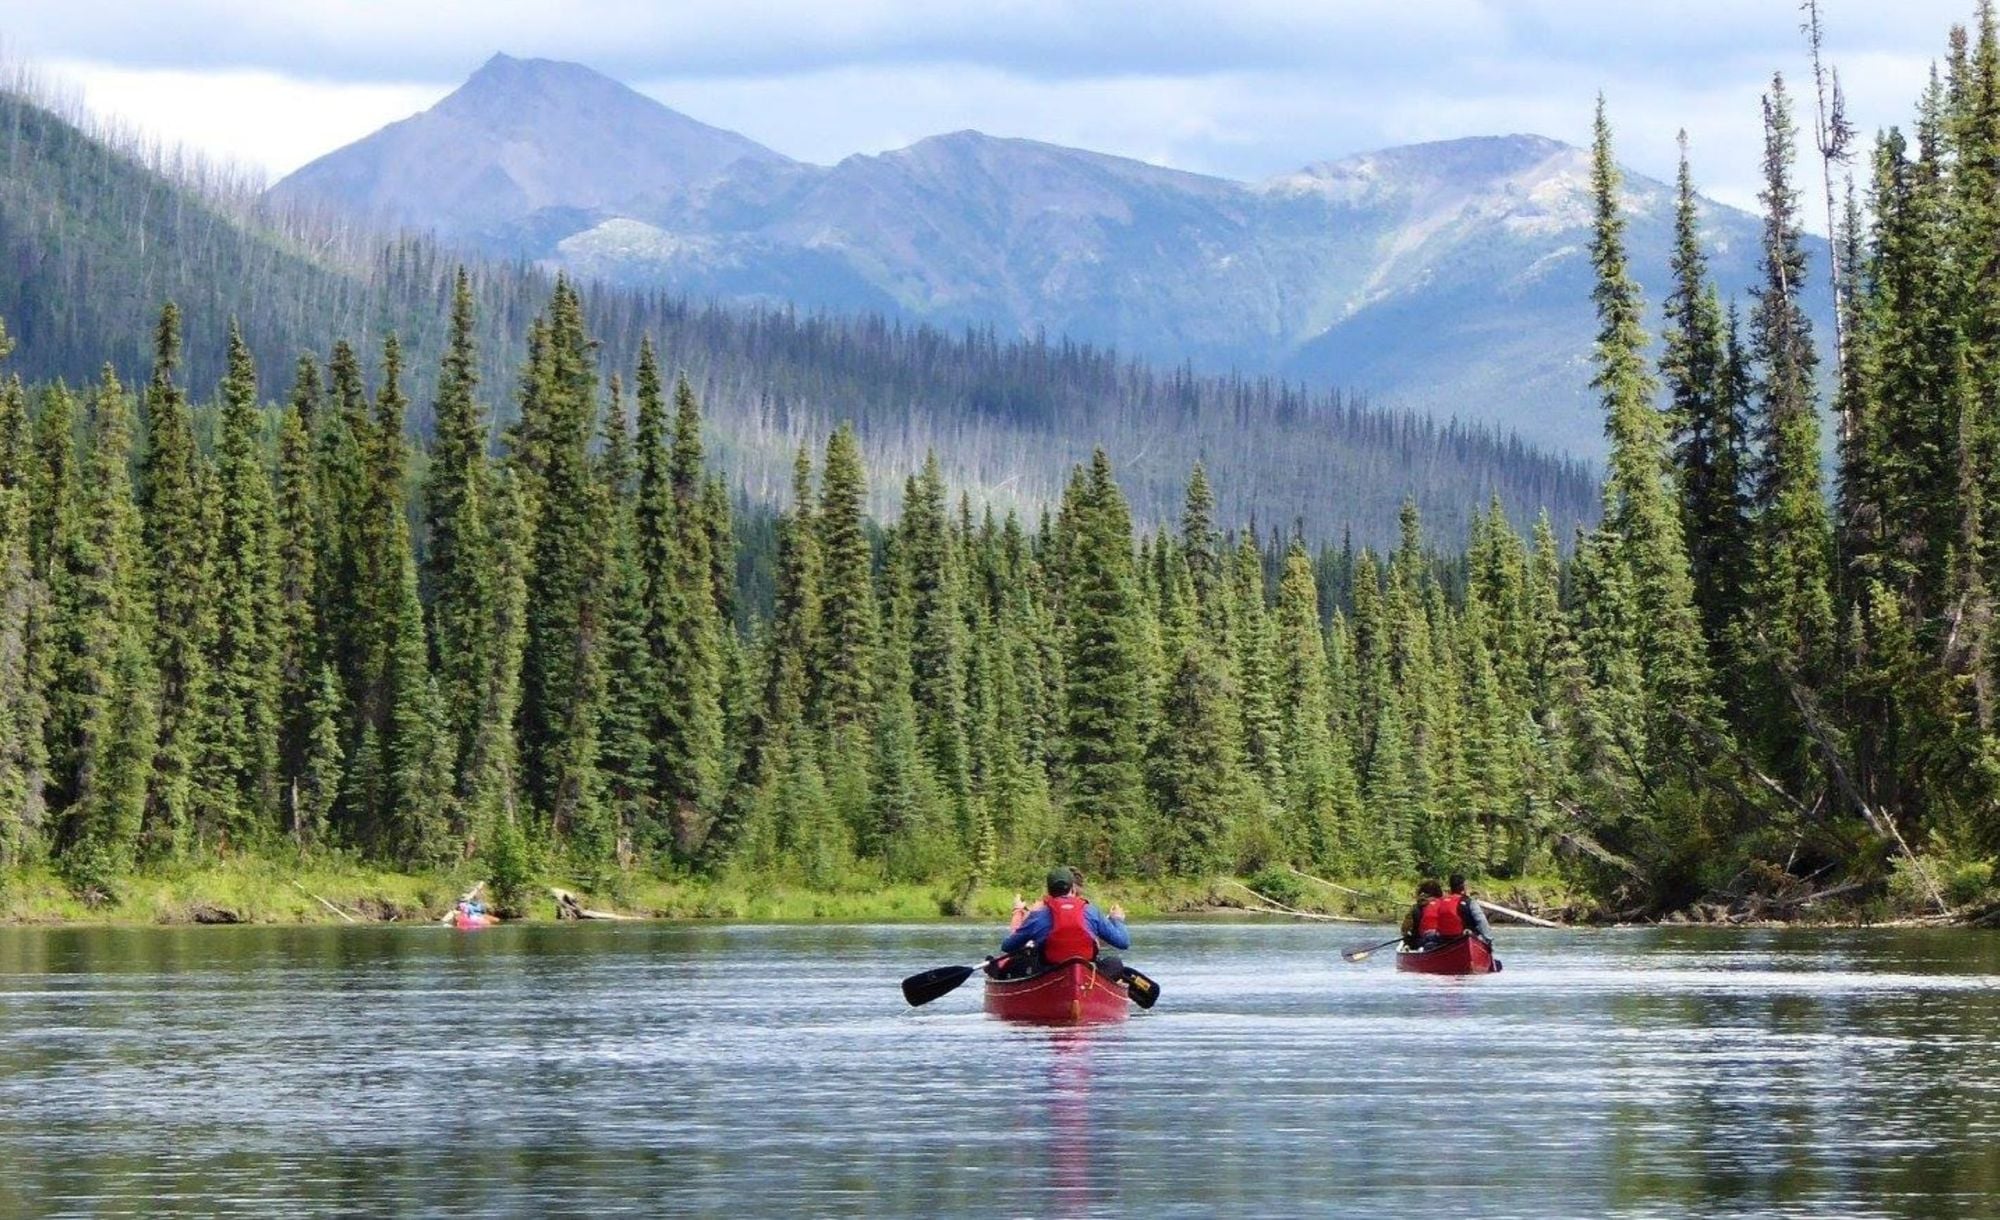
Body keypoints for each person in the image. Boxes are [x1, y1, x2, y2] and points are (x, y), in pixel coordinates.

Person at [997, 866, 1130, 976]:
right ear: (1072, 888)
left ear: (1049, 891)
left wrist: (1019, 913)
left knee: (1021, 962)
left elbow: (1007, 946)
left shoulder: (1037, 916)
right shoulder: (1092, 911)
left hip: (1048, 972)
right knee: (1114, 963)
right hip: (1086, 971)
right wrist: (1116, 919)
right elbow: (1123, 943)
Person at [1447, 873, 1494, 946]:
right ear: (1463, 886)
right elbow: (1481, 921)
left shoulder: (1441, 902)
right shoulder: (1470, 902)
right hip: (1465, 938)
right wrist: (1488, 940)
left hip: (1445, 940)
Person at [1402, 878, 1444, 949]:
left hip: (1420, 941)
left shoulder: (1415, 908)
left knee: (1409, 940)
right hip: (1442, 940)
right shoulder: (1444, 904)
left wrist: (1407, 940)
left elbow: (1405, 930)